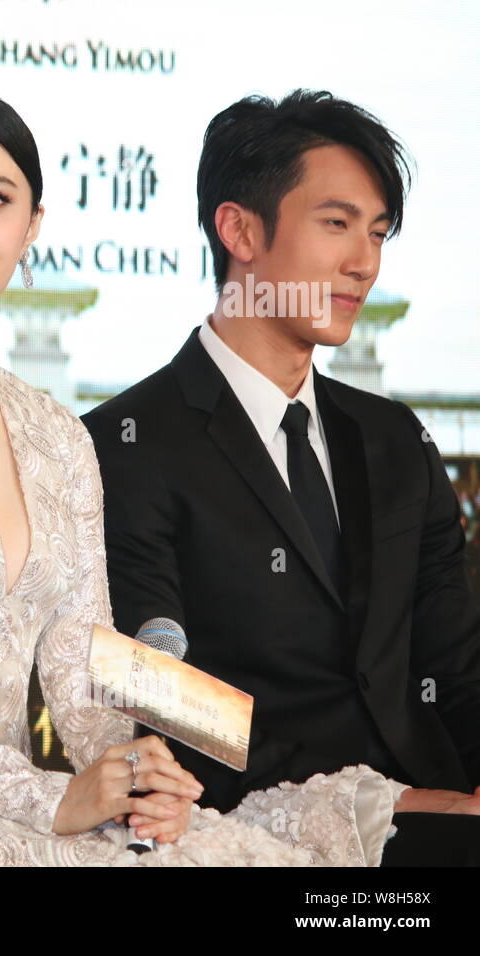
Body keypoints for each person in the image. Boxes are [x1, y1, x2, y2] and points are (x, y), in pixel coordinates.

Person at [0, 89, 405, 867]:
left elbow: (83, 659)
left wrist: (134, 771)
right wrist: (53, 797)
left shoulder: (57, 434)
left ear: (31, 225)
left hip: (15, 801)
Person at [81, 90, 480, 866]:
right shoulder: (123, 444)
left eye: (377, 232)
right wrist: (367, 801)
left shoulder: (395, 439)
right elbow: (161, 693)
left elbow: (453, 659)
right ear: (240, 231)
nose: (363, 262)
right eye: (336, 224)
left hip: (439, 808)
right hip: (249, 825)